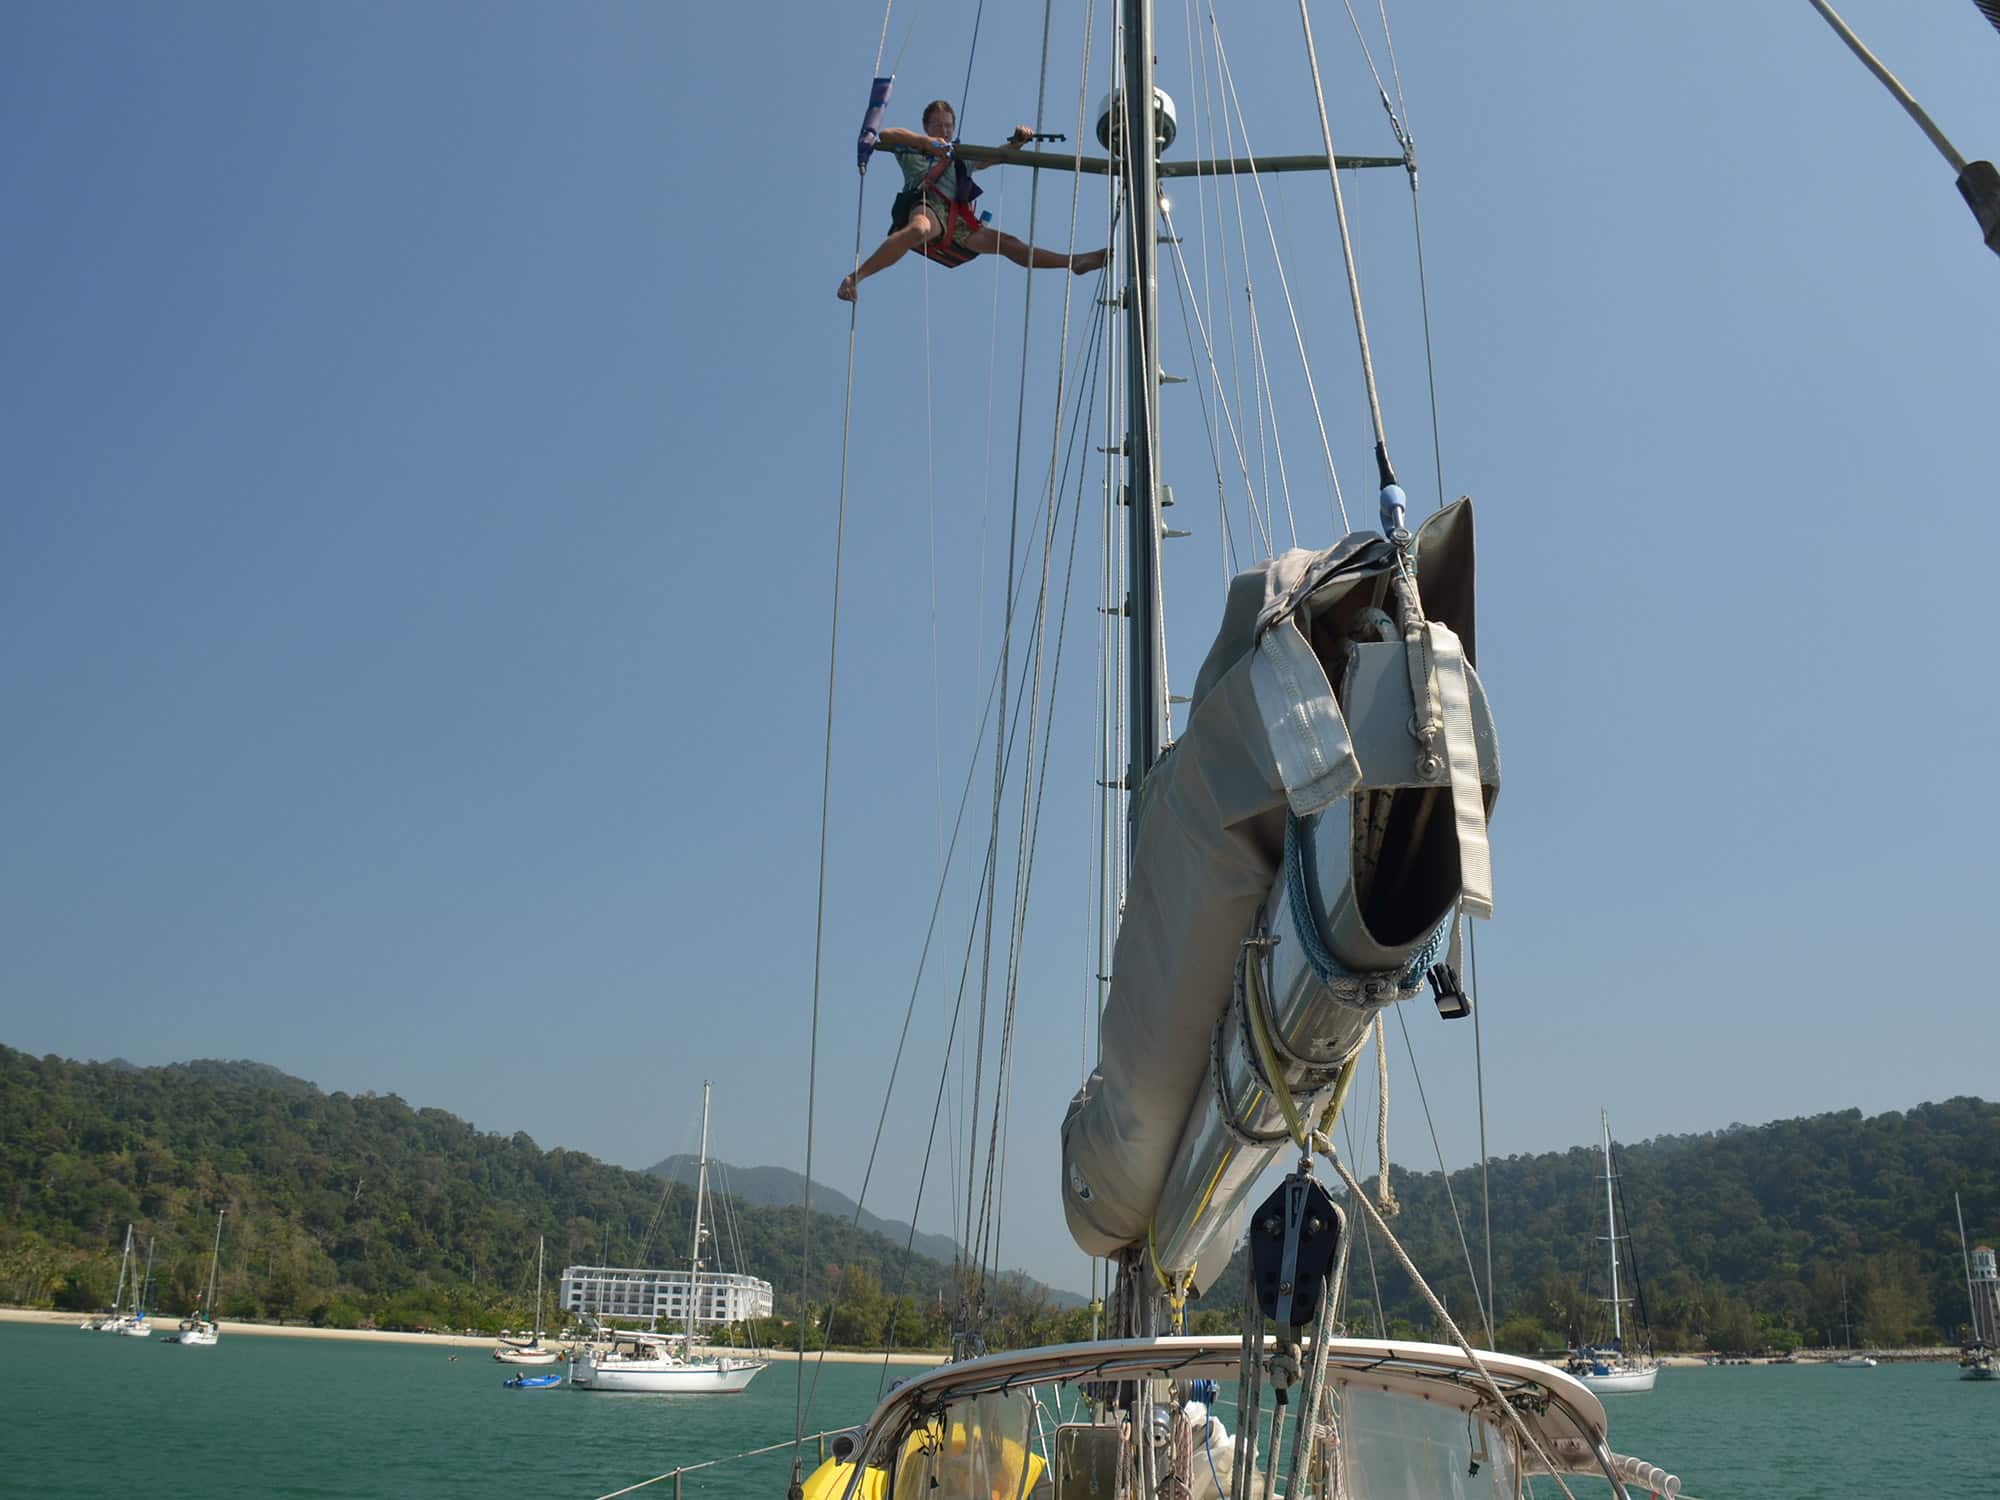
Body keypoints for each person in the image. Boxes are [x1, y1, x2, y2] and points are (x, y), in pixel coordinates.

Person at [837, 100, 1108, 301]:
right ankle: (854, 278)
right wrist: (924, 141)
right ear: (926, 126)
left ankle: (1073, 261)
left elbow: (994, 156)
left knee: (1009, 244)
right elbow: (886, 135)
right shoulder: (913, 150)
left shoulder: (960, 156)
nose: (943, 129)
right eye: (937, 124)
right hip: (926, 202)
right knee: (918, 228)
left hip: (957, 222)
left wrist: (1017, 143)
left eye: (947, 125)